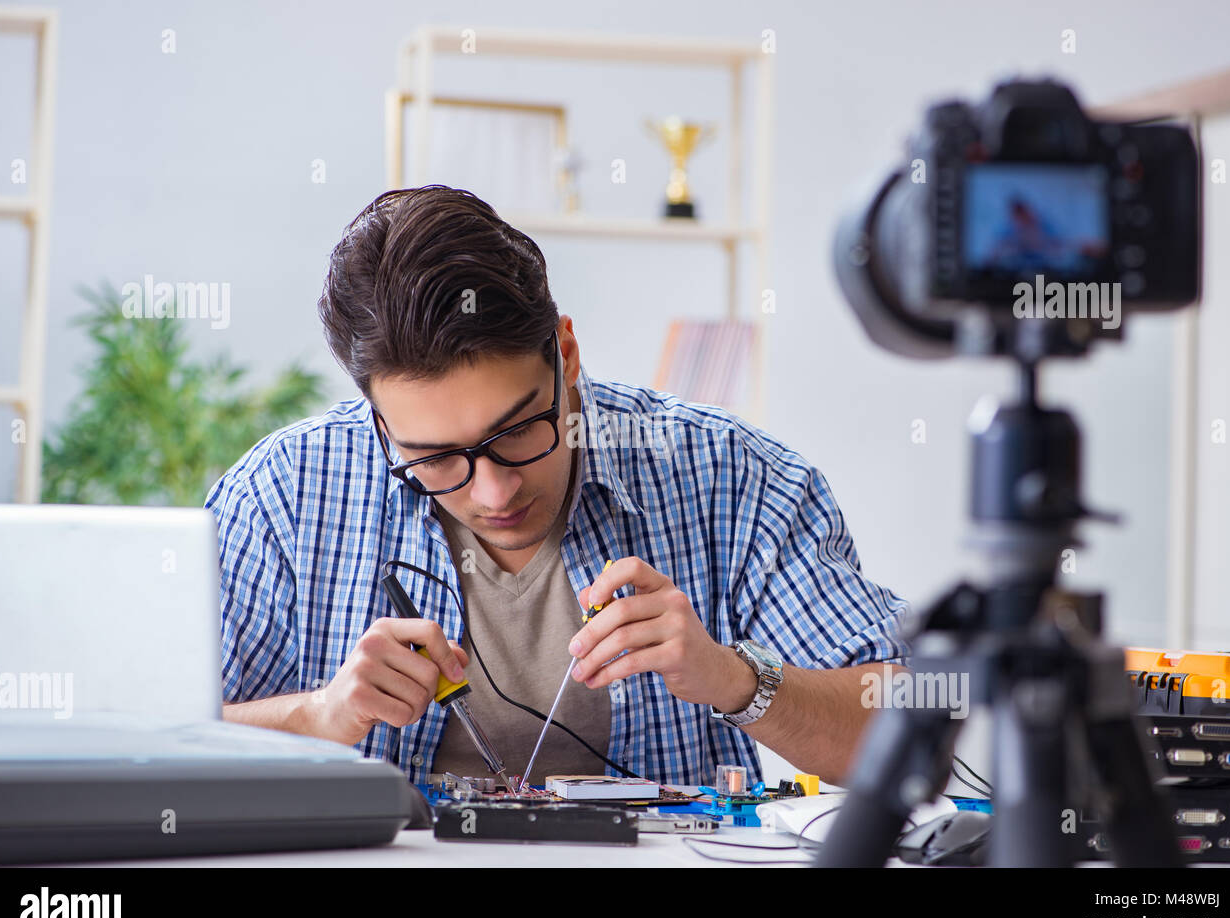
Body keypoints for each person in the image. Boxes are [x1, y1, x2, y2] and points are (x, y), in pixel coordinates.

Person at [207, 185, 910, 788]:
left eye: (517, 430)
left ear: (566, 353)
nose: (493, 493)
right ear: (380, 420)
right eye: (435, 457)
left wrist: (733, 678)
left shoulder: (730, 474)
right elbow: (153, 733)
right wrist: (316, 716)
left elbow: (914, 728)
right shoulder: (286, 494)